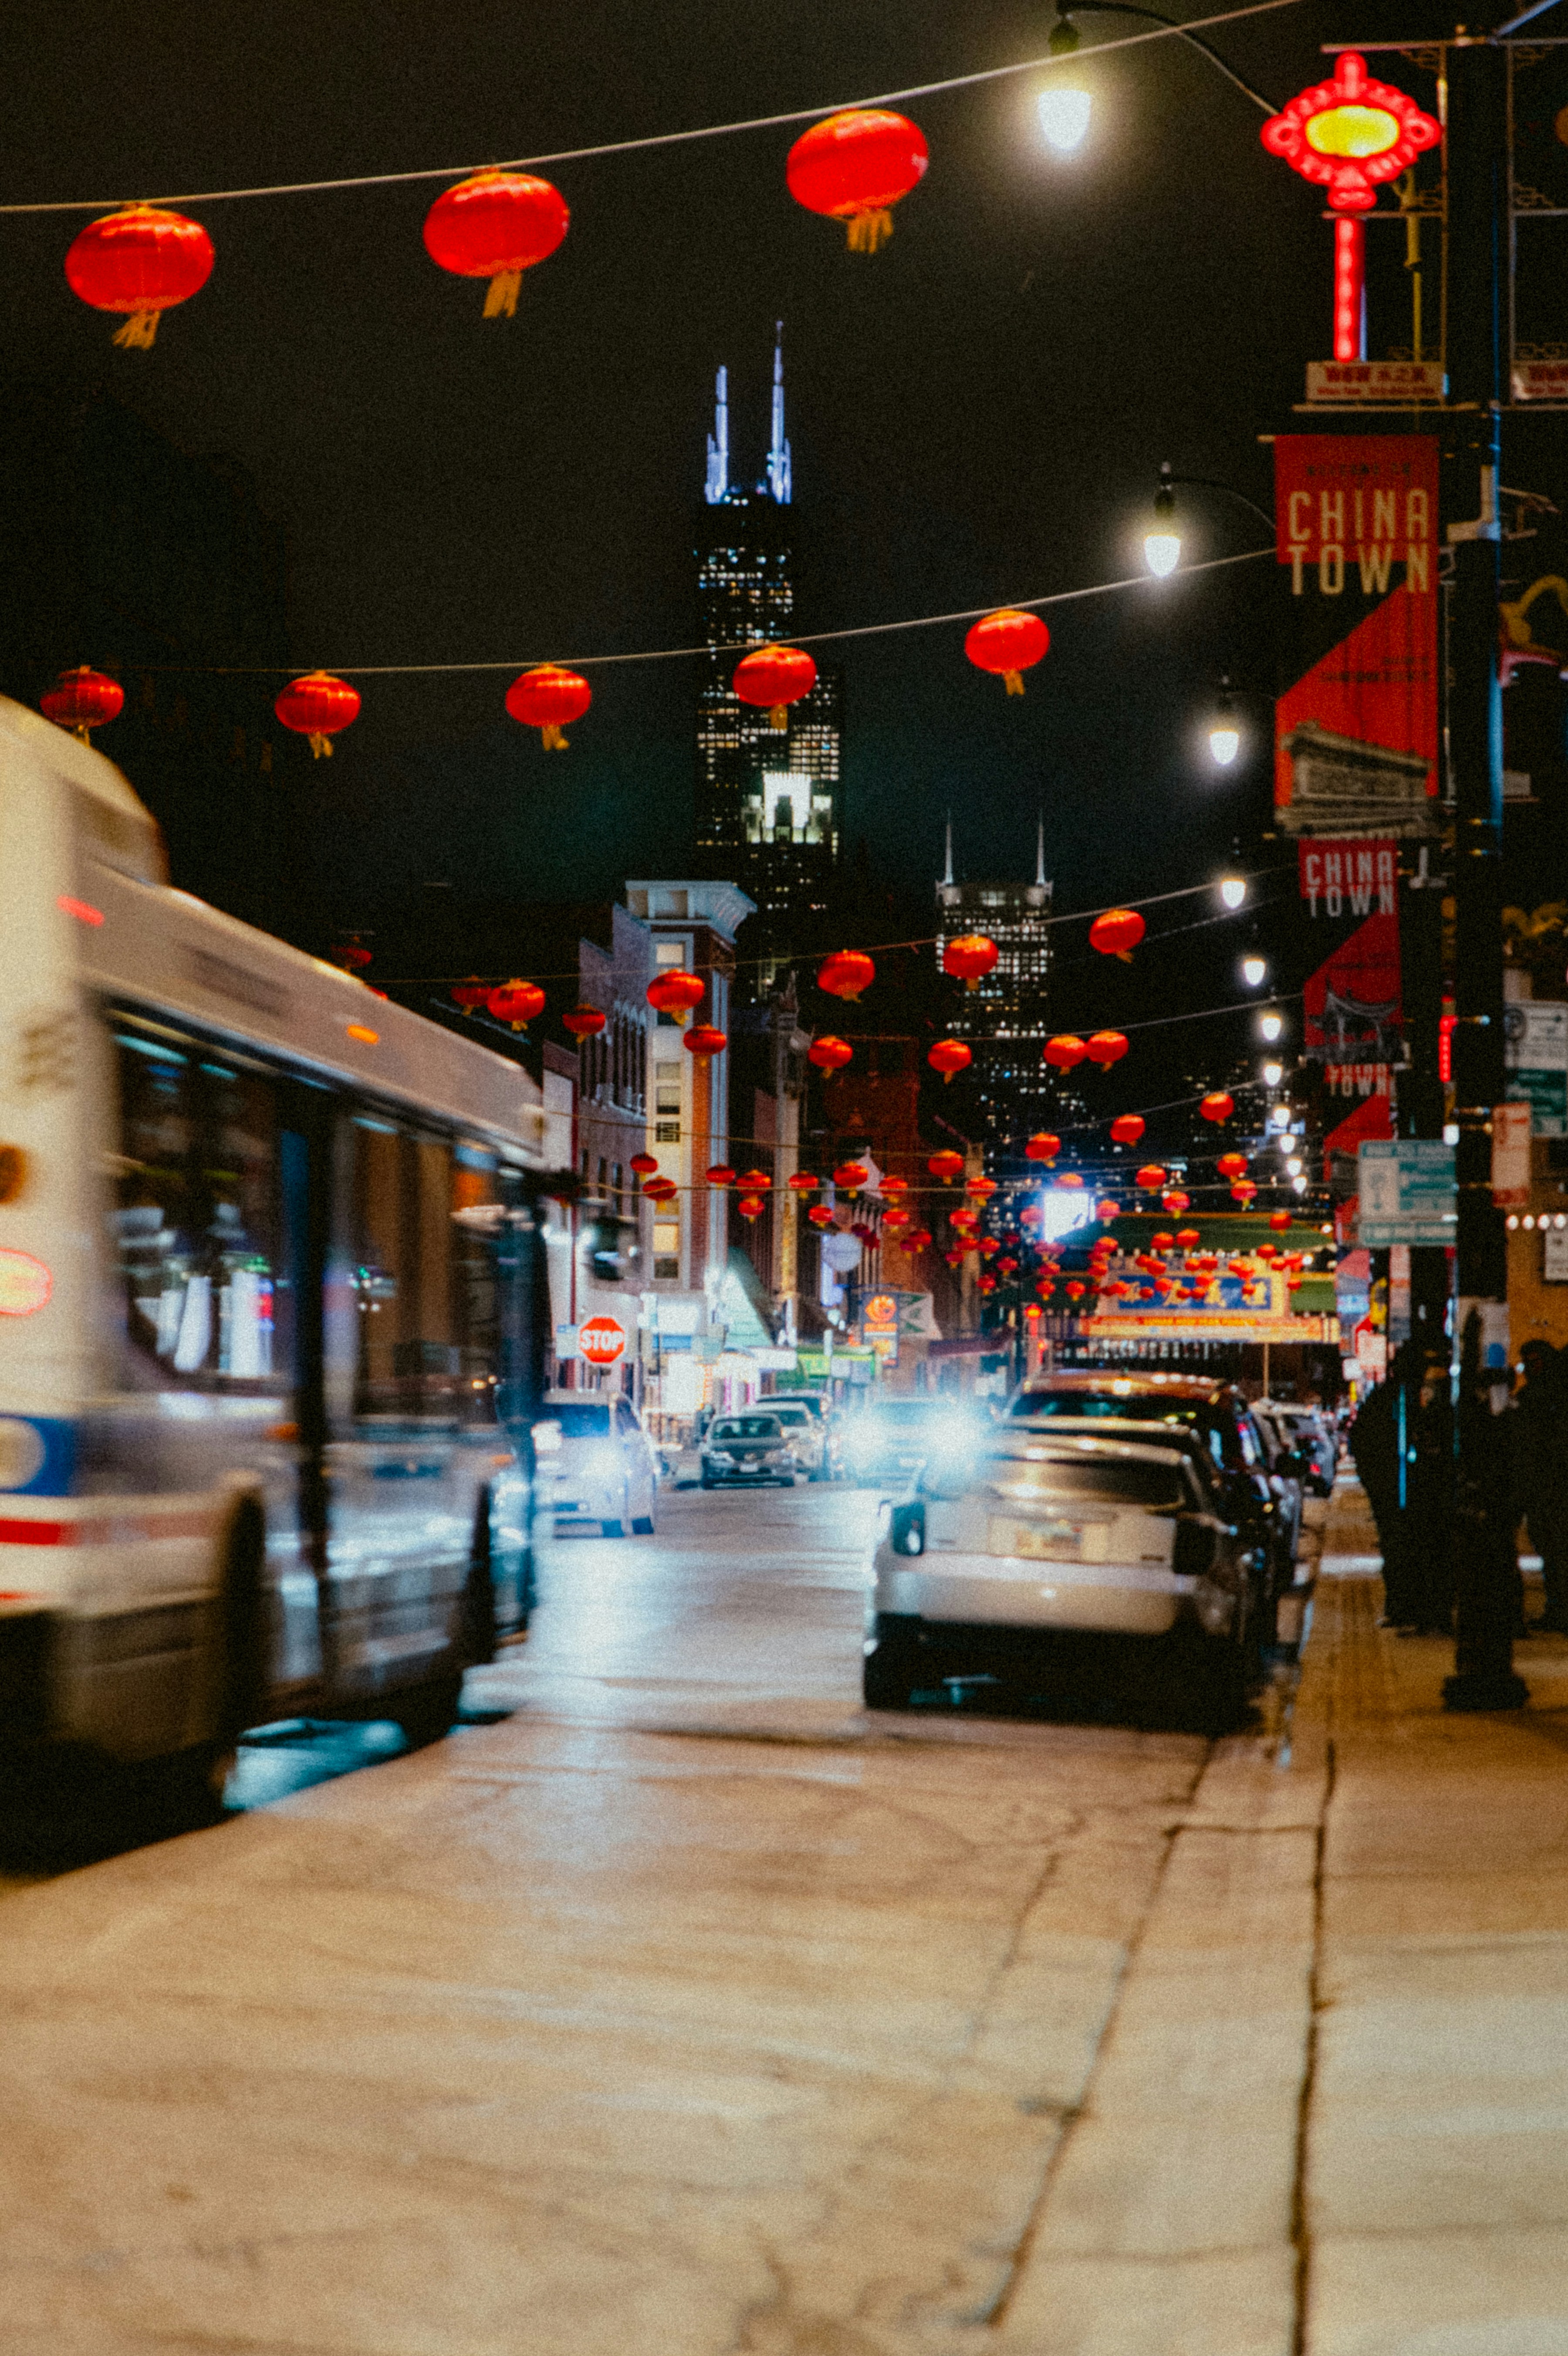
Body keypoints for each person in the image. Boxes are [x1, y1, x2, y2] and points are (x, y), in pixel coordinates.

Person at [1349, 1342, 1422, 1628]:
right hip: (1395, 1492)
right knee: (1400, 1551)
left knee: (1402, 1551)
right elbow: (1363, 1445)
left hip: (1406, 1493)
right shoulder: (1389, 1401)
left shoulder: (1415, 1400)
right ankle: (1405, 1607)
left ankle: (1408, 1607)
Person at [1511, 1340, 1568, 1634]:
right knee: (1552, 1549)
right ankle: (1558, 1607)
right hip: (1543, 1486)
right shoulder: (1539, 1396)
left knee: (1556, 1549)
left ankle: (1560, 1609)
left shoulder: (1542, 1398)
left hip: (1550, 1486)